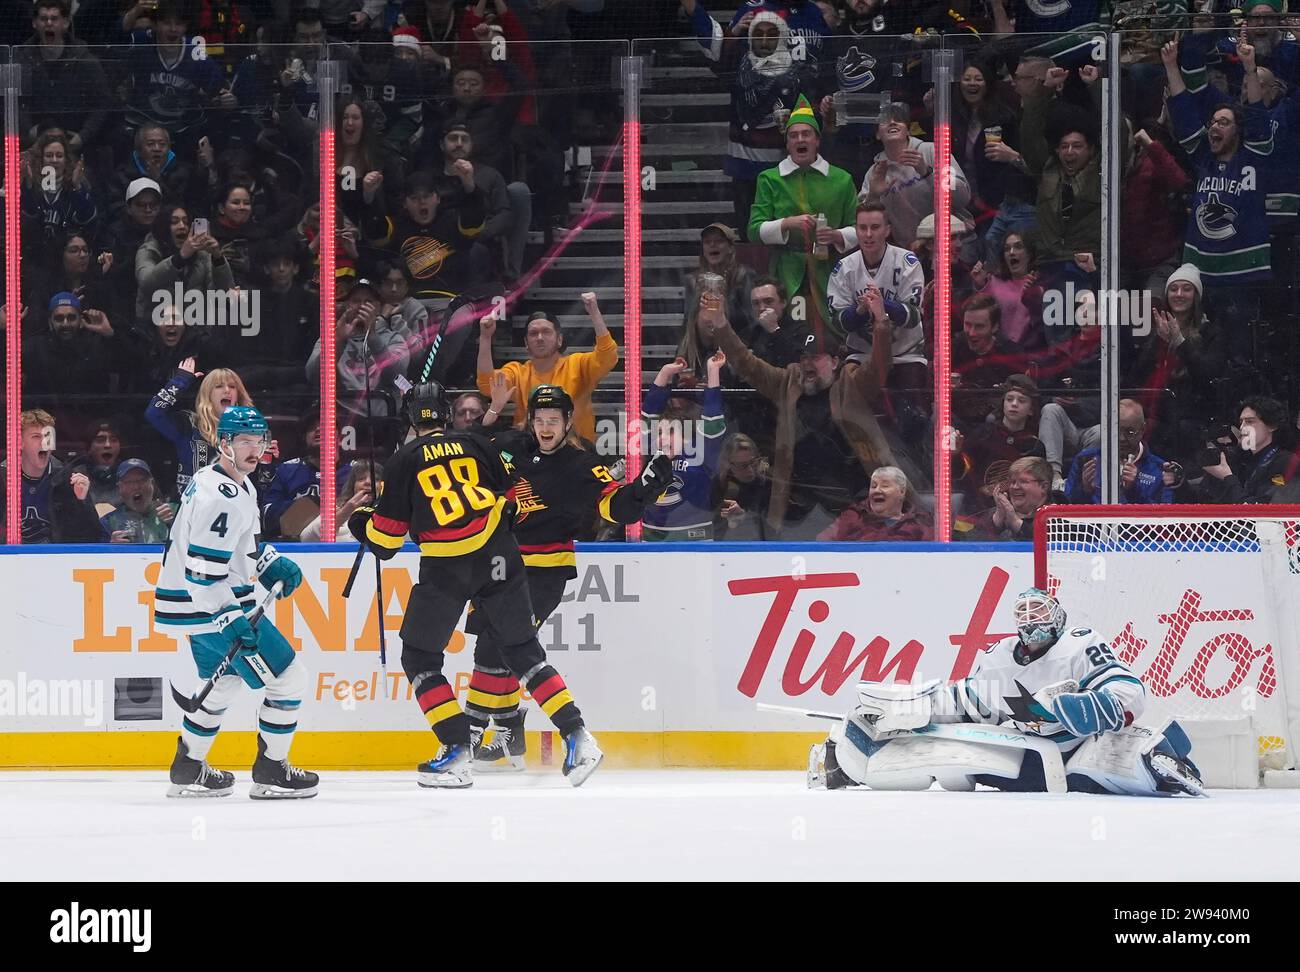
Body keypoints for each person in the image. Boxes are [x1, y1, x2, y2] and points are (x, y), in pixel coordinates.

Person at [348, 382, 605, 788]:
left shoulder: (403, 461)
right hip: (500, 556)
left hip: (447, 567)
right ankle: (578, 736)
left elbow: (386, 544)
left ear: (411, 419)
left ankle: (455, 750)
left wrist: (361, 520)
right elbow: (514, 501)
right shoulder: (476, 443)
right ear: (446, 415)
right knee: (521, 650)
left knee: (419, 658)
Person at [808, 588, 1204, 796]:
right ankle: (848, 758)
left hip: (1078, 745)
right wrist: (916, 708)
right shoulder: (1000, 657)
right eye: (1026, 617)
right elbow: (971, 701)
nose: (1034, 624)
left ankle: (1162, 769)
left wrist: (1094, 706)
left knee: (1100, 763)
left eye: (1041, 614)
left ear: (1059, 617)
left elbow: (1128, 689)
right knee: (954, 764)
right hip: (1028, 751)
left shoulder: (1080, 643)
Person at [467, 382, 673, 770]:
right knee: (493, 647)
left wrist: (643, 492)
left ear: (567, 423)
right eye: (540, 420)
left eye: (553, 421)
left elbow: (615, 507)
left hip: (544, 572)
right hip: (499, 565)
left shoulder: (582, 465)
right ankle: (509, 727)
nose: (545, 428)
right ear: (531, 422)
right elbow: (465, 450)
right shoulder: (510, 446)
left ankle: (474, 732)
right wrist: (491, 412)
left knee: (504, 646)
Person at [155, 405, 314, 799]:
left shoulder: (229, 482)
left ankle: (188, 767)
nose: (254, 449)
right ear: (223, 442)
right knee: (289, 678)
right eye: (244, 441)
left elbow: (240, 547)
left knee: (223, 684)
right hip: (210, 607)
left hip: (194, 610)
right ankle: (272, 770)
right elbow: (203, 571)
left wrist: (269, 563)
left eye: (259, 440)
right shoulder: (221, 495)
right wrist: (229, 616)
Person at [714, 302, 894, 539]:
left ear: (834, 362)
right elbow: (748, 365)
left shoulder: (851, 386)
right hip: (798, 504)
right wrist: (720, 325)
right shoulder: (788, 381)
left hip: (851, 502)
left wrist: (881, 321)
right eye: (804, 357)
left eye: (816, 357)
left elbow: (880, 365)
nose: (807, 363)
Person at [748, 94, 858, 345]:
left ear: (817, 140)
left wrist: (836, 235)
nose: (800, 139)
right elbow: (754, 230)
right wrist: (787, 224)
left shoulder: (842, 180)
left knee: (831, 333)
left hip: (829, 268)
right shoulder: (769, 179)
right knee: (789, 332)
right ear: (787, 144)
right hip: (787, 269)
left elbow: (858, 228)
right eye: (793, 135)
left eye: (806, 134)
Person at [476, 293, 618, 445]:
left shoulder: (577, 364)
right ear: (526, 343)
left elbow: (608, 357)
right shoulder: (517, 372)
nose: (539, 338)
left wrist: (594, 312)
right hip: (530, 453)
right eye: (533, 333)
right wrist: (485, 338)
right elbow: (486, 384)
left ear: (559, 339)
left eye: (546, 332)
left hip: (576, 451)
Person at [640, 353, 729, 541]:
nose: (663, 439)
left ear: (687, 438)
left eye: (671, 432)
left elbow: (713, 421)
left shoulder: (700, 453)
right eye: (660, 433)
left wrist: (713, 371)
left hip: (695, 537)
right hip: (651, 537)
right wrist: (665, 373)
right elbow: (648, 415)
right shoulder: (653, 453)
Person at [145, 361, 255, 496]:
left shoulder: (249, 433)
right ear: (208, 394)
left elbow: (257, 486)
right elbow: (154, 413)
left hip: (233, 508)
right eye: (219, 386)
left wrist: (267, 463)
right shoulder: (188, 424)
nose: (227, 390)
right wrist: (180, 380)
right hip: (193, 509)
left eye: (232, 386)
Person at [0, 409, 102, 544]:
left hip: (53, 560)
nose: (44, 443)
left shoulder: (67, 478)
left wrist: (81, 501)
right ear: (20, 443)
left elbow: (91, 537)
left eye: (48, 436)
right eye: (36, 437)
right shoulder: (3, 477)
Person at [1064, 399, 1176, 505]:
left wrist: (1133, 489)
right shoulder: (1085, 459)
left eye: (1130, 432)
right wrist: (1084, 491)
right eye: (1116, 430)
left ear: (1142, 430)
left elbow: (1162, 518)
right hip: (1095, 525)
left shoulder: (1159, 468)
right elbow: (1066, 506)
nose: (1121, 438)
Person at [1198, 396, 1295, 503]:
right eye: (1241, 422)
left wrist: (1227, 477)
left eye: (1249, 422)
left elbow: (1261, 510)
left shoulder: (1288, 462)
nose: (1242, 427)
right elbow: (1199, 501)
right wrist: (1178, 481)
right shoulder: (1234, 460)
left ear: (1272, 425)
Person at [817, 466, 934, 542]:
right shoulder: (853, 517)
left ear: (902, 492)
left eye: (885, 485)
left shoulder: (920, 522)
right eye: (873, 486)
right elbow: (822, 543)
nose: (877, 490)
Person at [953, 455, 1054, 541]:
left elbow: (1052, 546)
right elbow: (968, 544)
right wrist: (996, 520)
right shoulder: (997, 512)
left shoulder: (1060, 517)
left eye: (1023, 481)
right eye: (1012, 482)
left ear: (1044, 487)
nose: (1014, 487)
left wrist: (1016, 523)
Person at [712, 434, 773, 541]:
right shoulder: (718, 487)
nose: (750, 469)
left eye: (753, 462)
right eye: (743, 465)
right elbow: (714, 529)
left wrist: (744, 517)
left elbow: (772, 526)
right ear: (728, 464)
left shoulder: (766, 485)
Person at [103, 459, 177, 543]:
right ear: (120, 488)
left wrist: (175, 523)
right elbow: (96, 551)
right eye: (129, 482)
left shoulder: (176, 511)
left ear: (152, 483)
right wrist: (111, 546)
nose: (136, 486)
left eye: (142, 480)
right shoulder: (109, 521)